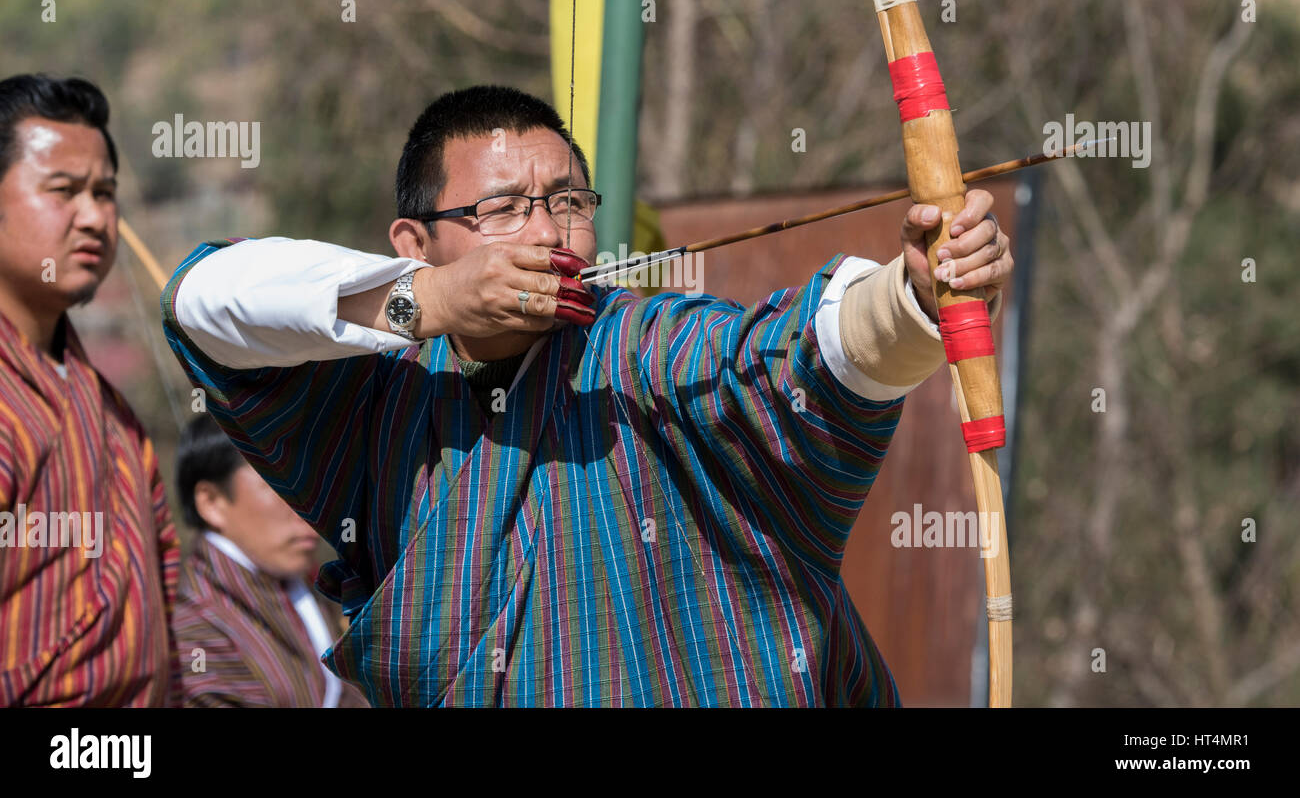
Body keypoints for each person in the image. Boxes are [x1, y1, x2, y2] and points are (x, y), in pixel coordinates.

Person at [161, 84, 1012, 706]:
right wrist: (436, 300)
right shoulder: (378, 405)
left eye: (568, 202)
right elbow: (200, 300)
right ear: (414, 241)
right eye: (502, 207)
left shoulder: (645, 347)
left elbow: (785, 356)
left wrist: (911, 301)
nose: (545, 232)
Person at [0, 73, 179, 706]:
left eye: (105, 193)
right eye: (63, 190)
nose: (95, 217)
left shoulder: (114, 414)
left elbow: (168, 601)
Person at [172, 414, 368, 707]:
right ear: (211, 502)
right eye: (279, 484)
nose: (308, 508)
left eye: (311, 484)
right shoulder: (192, 629)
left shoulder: (301, 585)